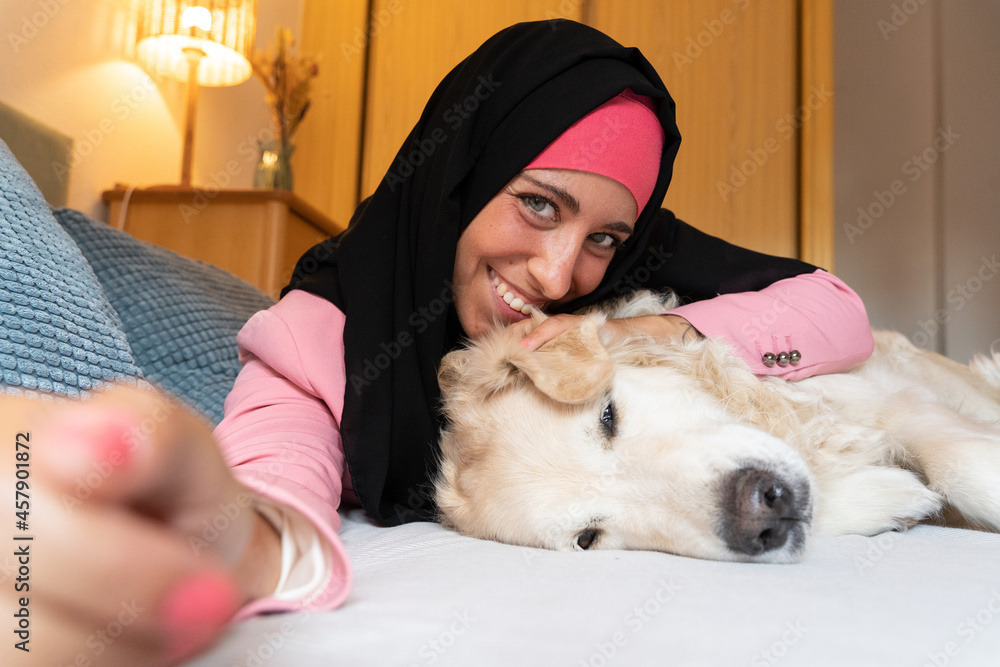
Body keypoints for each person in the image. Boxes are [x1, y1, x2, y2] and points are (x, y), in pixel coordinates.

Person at [17, 19, 872, 665]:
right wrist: (229, 540)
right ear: (460, 177)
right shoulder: (330, 324)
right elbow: (273, 470)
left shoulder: (620, 276)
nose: (558, 272)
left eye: (606, 237)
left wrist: (644, 329)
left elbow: (837, 310)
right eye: (538, 203)